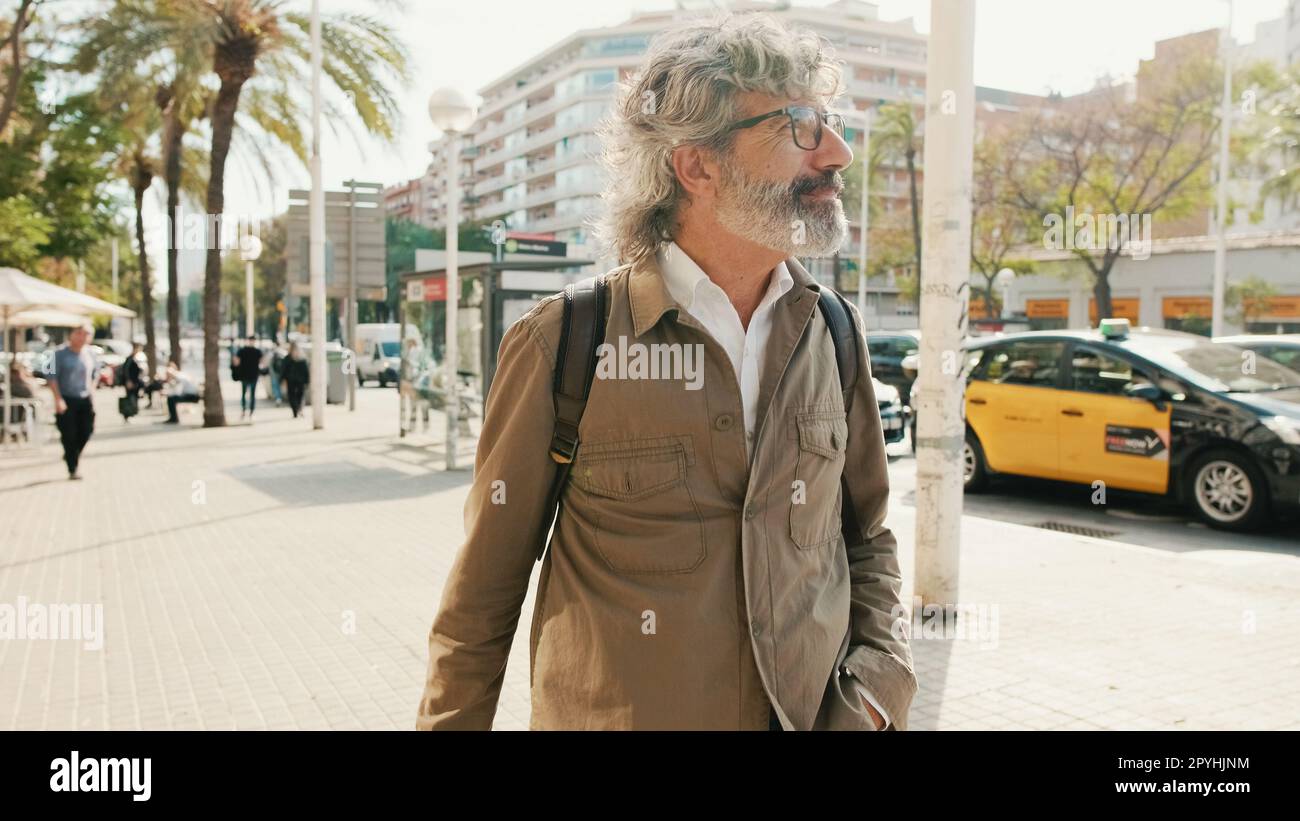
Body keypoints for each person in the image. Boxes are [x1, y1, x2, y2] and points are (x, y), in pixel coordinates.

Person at [416, 15, 915, 732]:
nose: (836, 152)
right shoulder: (565, 343)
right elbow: (479, 602)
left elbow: (866, 540)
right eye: (799, 126)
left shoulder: (834, 333)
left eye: (829, 122)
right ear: (697, 166)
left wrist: (875, 691)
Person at [44, 323, 101, 479]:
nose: (82, 337)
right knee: (69, 434)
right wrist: (57, 399)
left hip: (84, 399)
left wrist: (92, 390)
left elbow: (96, 373)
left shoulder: (91, 354)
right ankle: (72, 468)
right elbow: (50, 377)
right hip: (66, 399)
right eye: (79, 333)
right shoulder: (57, 354)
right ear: (71, 334)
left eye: (86, 334)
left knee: (86, 431)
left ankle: (72, 453)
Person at [232, 334, 263, 420]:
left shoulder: (243, 351)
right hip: (251, 375)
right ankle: (248, 411)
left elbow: (236, 362)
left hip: (248, 375)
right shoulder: (256, 351)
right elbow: (262, 363)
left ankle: (245, 411)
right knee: (249, 394)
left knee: (246, 394)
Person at [282, 342, 309, 418]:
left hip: (295, 380)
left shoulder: (301, 359)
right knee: (295, 396)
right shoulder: (289, 358)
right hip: (293, 380)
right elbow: (284, 370)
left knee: (295, 396)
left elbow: (306, 371)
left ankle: (297, 410)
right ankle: (297, 410)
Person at [119, 342, 144, 422]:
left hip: (135, 382)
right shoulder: (130, 359)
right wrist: (128, 380)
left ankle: (132, 413)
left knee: (133, 397)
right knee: (129, 398)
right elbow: (126, 371)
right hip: (130, 382)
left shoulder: (135, 358)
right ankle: (127, 414)